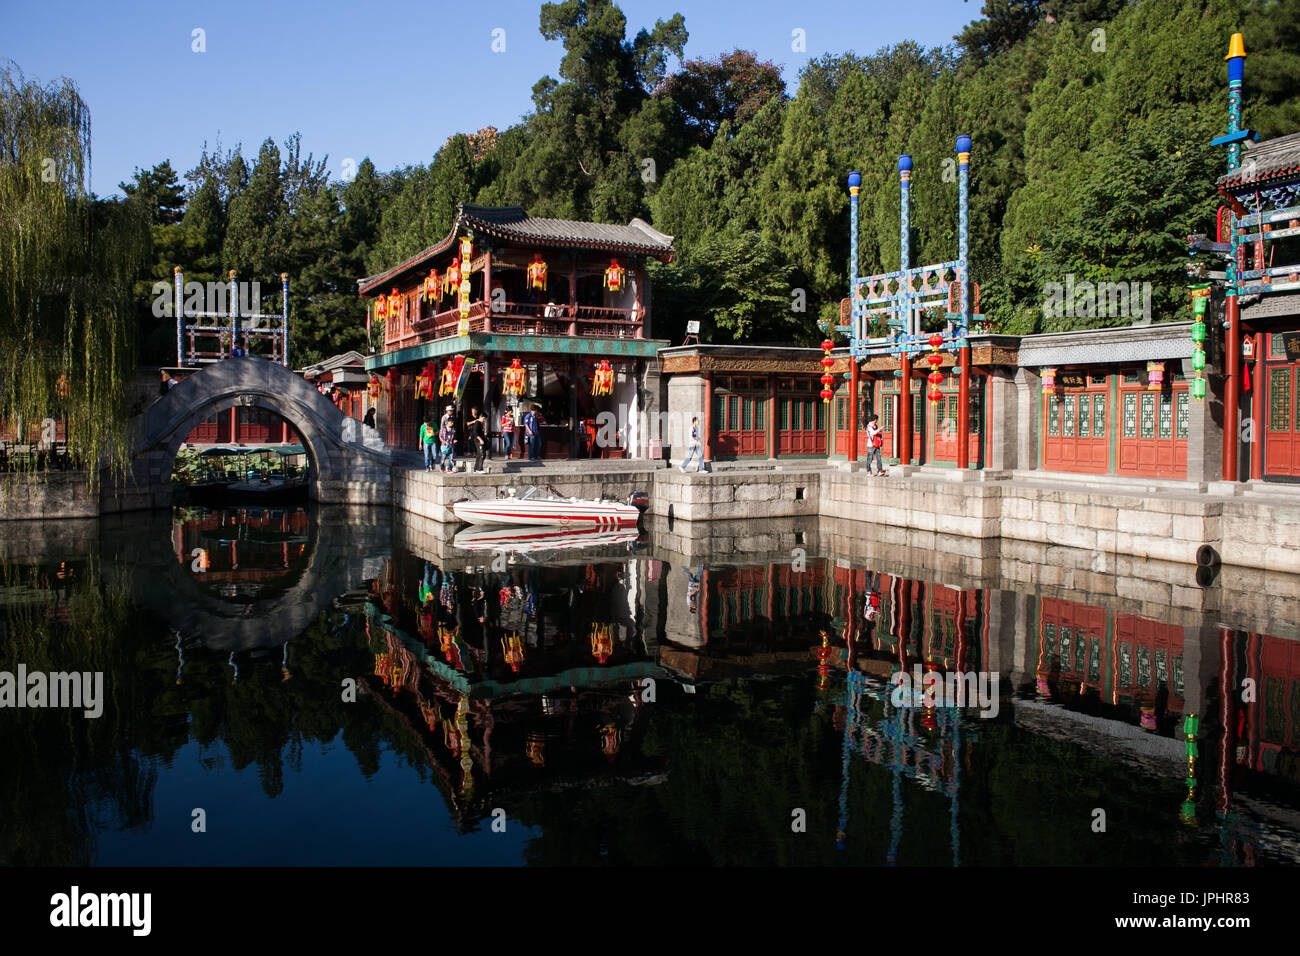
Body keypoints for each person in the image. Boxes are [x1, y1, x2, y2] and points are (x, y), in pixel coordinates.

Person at [438, 406, 457, 473]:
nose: (451, 412)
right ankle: (441, 467)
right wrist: (444, 441)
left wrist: (454, 440)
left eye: (452, 410)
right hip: (444, 445)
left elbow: (454, 436)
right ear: (447, 411)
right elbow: (441, 436)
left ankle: (449, 469)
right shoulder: (444, 418)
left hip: (451, 444)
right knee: (443, 458)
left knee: (451, 458)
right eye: (450, 410)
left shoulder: (453, 429)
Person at [469, 406, 487, 472]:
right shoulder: (477, 423)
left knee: (480, 454)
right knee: (482, 454)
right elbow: (475, 432)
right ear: (481, 417)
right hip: (478, 440)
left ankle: (476, 468)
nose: (484, 420)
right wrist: (480, 439)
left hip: (480, 439)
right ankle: (479, 468)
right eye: (484, 418)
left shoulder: (481, 424)